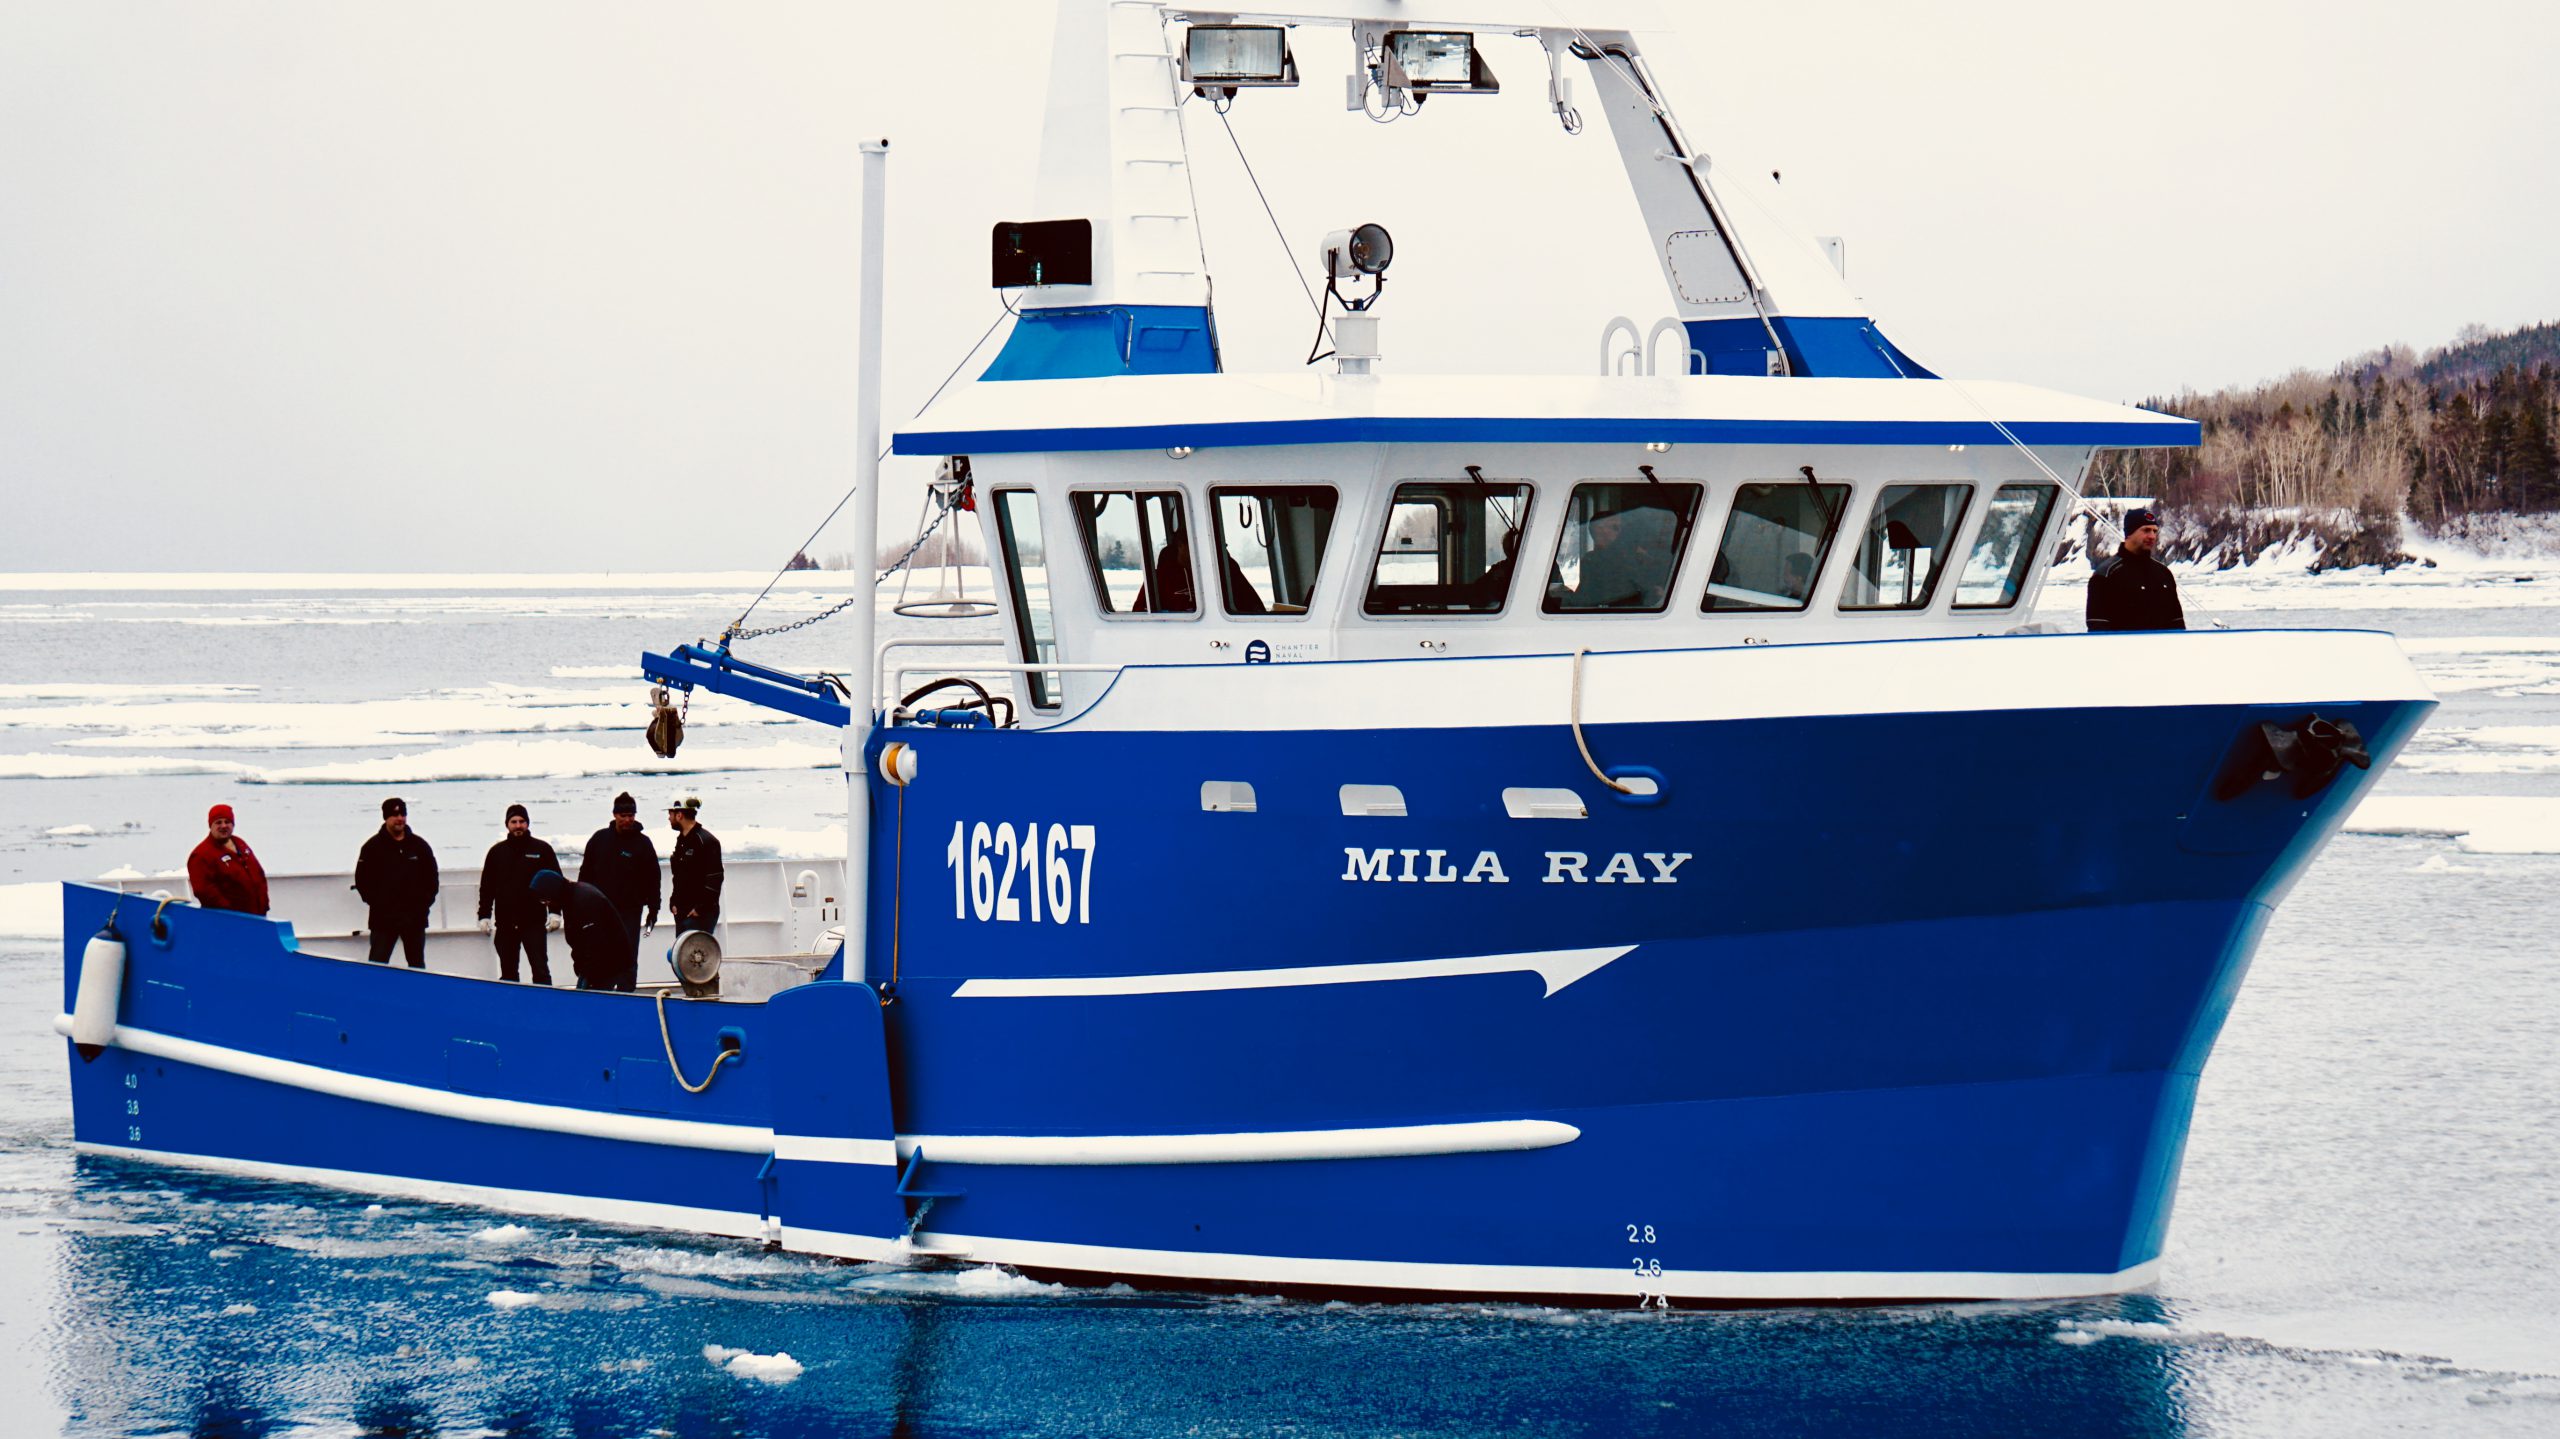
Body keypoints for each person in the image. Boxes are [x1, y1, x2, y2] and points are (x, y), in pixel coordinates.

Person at [476, 802, 560, 985]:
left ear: (527, 823)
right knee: (508, 973)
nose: (518, 825)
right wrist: (484, 915)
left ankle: (544, 1000)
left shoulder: (542, 849)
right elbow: (487, 887)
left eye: (522, 821)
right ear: (507, 824)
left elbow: (555, 882)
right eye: (513, 822)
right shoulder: (496, 852)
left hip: (534, 922)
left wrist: (555, 912)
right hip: (506, 923)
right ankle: (511, 1001)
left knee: (540, 970)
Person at [578, 792, 660, 979]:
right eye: (623, 816)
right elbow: (585, 874)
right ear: (615, 815)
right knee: (601, 953)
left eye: (631, 815)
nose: (628, 820)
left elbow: (653, 878)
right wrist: (582, 904)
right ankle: (601, 990)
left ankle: (626, 991)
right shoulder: (599, 839)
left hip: (630, 910)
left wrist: (654, 908)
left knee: (628, 954)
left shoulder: (643, 843)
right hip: (600, 909)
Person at [353, 796, 438, 968]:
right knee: (377, 964)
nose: (400, 819)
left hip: (414, 918)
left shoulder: (419, 846)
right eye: (395, 815)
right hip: (383, 919)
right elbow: (362, 881)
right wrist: (379, 903)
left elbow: (432, 879)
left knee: (417, 965)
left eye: (403, 814)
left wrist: (423, 905)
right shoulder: (372, 847)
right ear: (386, 818)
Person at [529, 869, 634, 991]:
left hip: (608, 966)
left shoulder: (584, 902)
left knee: (593, 997)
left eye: (545, 899)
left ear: (553, 892)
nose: (546, 904)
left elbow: (596, 944)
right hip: (595, 966)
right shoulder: (570, 898)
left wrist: (588, 976)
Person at [2086, 507, 2186, 632]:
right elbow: (2097, 629)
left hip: (2163, 644)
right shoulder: (2106, 574)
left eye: (2155, 531)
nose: (2152, 536)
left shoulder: (2164, 573)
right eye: (2146, 530)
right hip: (2123, 644)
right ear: (2129, 533)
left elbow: (2178, 625)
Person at [186, 803, 270, 915]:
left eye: (227, 822)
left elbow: (259, 873)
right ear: (210, 826)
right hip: (229, 918)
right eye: (218, 822)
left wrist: (264, 903)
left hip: (257, 915)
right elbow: (204, 891)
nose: (224, 826)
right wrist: (229, 912)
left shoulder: (240, 843)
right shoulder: (201, 855)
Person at [666, 793, 725, 936]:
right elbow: (679, 876)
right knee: (682, 950)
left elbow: (715, 879)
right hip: (682, 913)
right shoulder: (682, 841)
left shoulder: (706, 841)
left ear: (679, 815)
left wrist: (700, 909)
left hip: (699, 915)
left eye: (670, 814)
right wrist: (674, 901)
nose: (669, 818)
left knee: (697, 950)